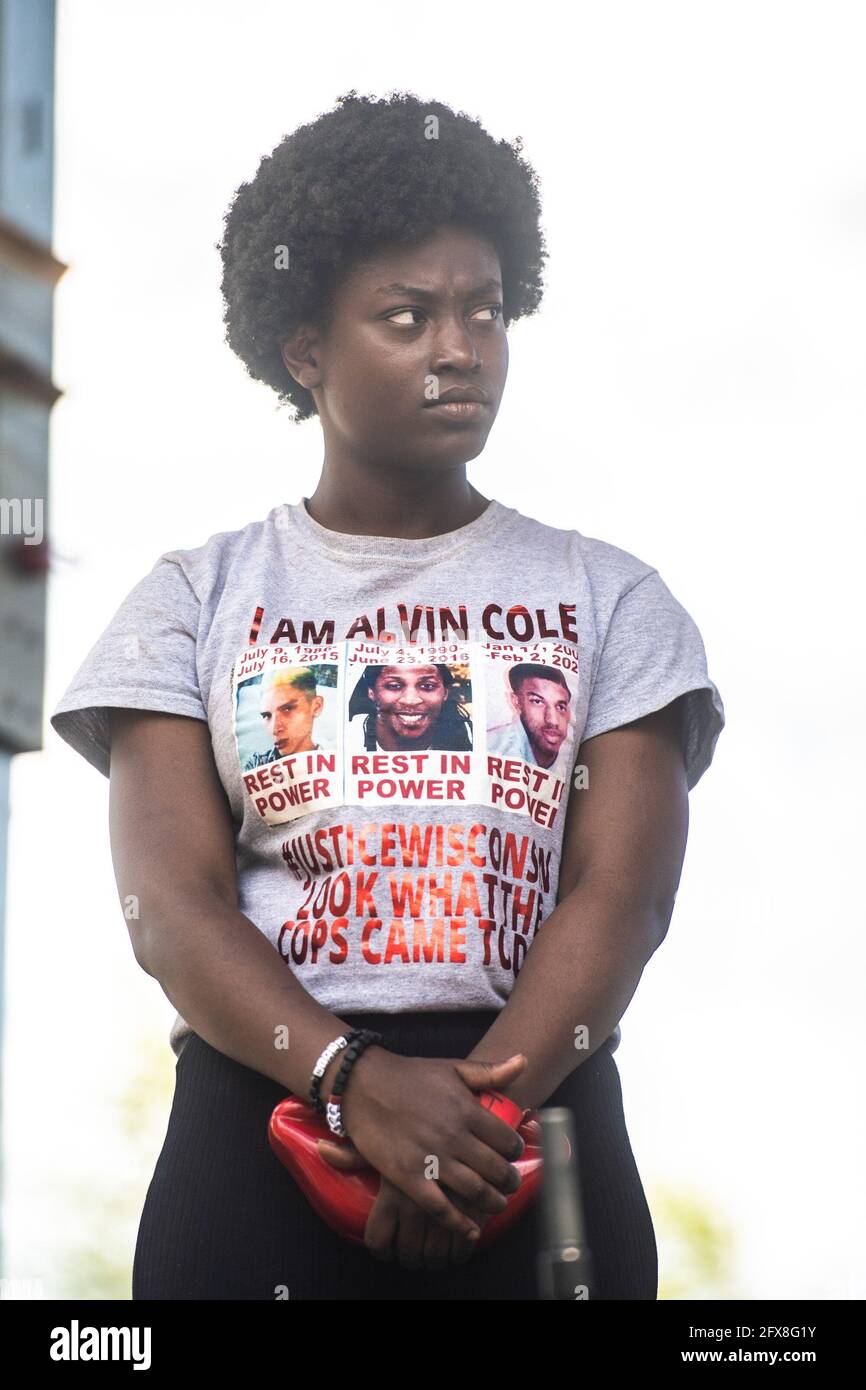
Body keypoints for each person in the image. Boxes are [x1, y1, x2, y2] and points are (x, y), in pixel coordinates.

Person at [50, 89, 725, 1300]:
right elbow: (172, 907)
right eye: (406, 317)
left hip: (532, 1124)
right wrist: (348, 1083)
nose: (457, 348)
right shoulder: (192, 601)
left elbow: (621, 896)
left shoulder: (612, 601)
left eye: (483, 311)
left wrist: (474, 1124)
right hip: (262, 1121)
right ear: (305, 350)